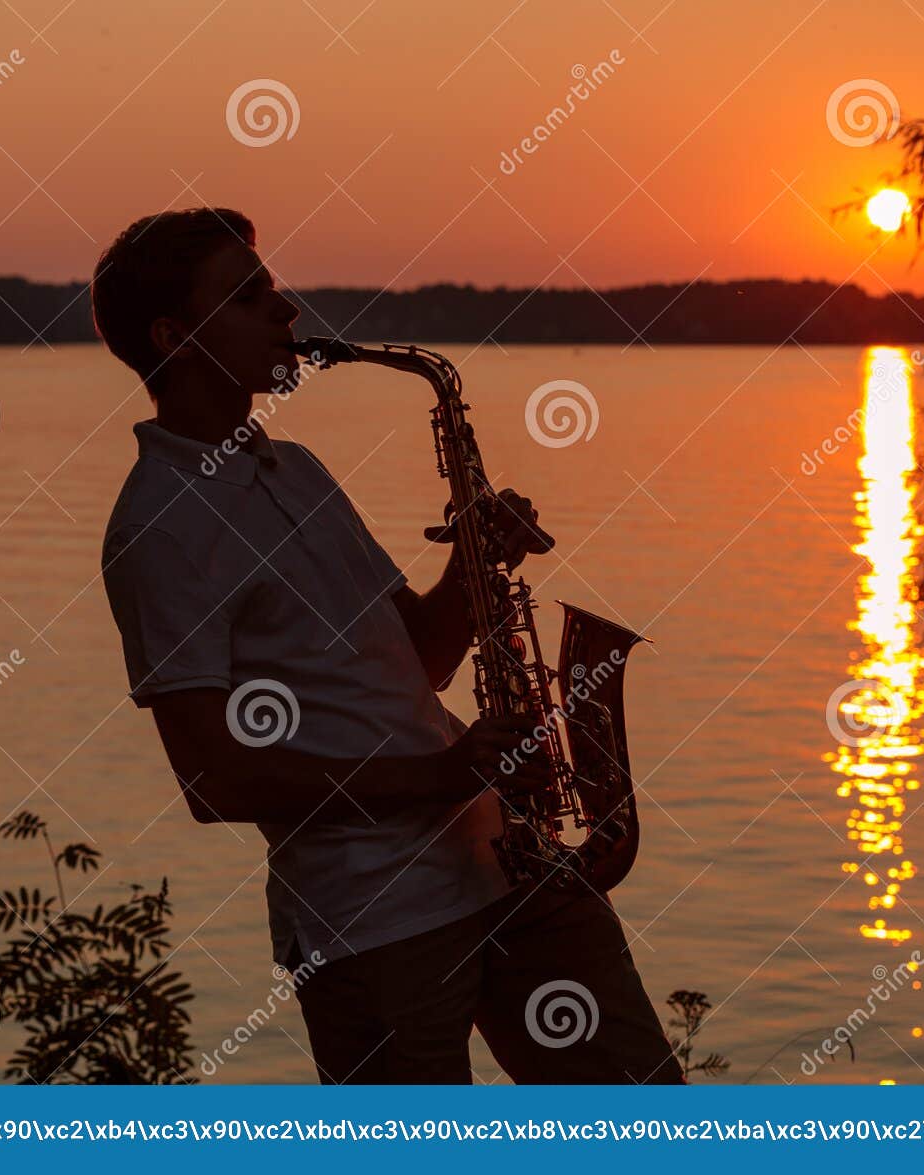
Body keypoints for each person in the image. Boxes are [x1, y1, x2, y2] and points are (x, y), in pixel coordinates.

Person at [93, 206, 682, 1085]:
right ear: (176, 337)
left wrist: (475, 565)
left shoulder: (294, 469)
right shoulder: (159, 528)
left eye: (274, 288)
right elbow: (214, 781)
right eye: (251, 297)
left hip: (502, 865)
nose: (287, 311)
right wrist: (440, 776)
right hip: (371, 922)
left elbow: (422, 656)